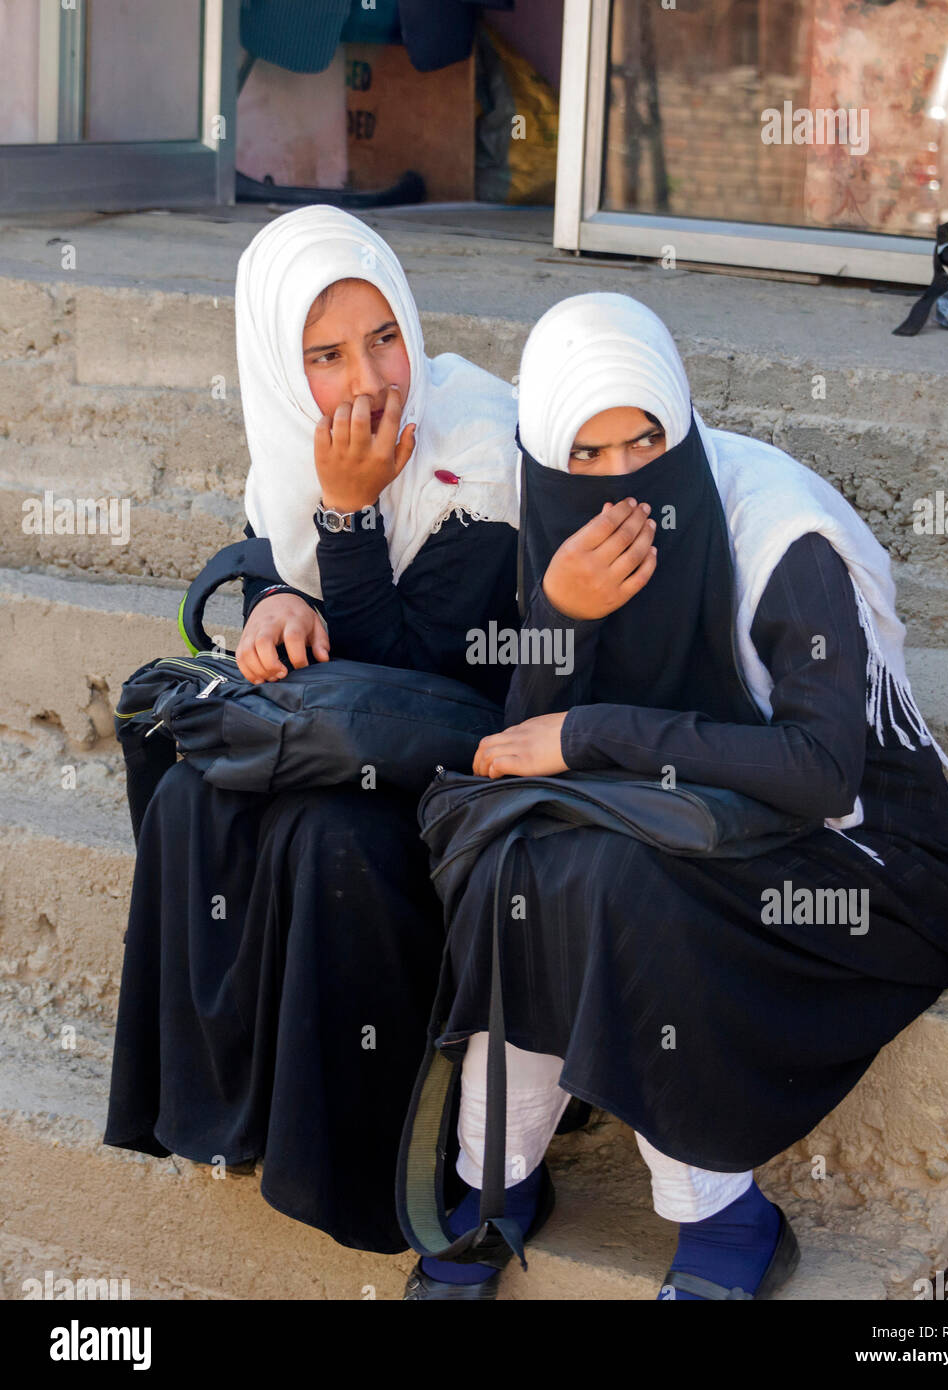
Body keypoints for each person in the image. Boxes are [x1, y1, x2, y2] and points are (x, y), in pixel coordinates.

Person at [404, 292, 948, 1299]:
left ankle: (724, 1217)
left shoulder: (779, 532)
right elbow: (526, 744)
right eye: (586, 455)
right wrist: (561, 614)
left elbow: (822, 772)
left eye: (645, 442)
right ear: (545, 459)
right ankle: (492, 1181)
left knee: (617, 882)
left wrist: (594, 733)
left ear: (680, 427)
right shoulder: (548, 523)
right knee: (524, 863)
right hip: (677, 826)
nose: (621, 480)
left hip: (859, 867)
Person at [104, 205, 521, 1254]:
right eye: (325, 357)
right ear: (281, 369)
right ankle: (230, 1112)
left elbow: (412, 673)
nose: (369, 381)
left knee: (332, 837)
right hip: (346, 733)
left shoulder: (477, 451)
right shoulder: (297, 443)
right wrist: (273, 601)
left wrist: (348, 517)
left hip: (460, 761)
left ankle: (369, 1163)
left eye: (384, 338)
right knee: (192, 795)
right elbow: (271, 553)